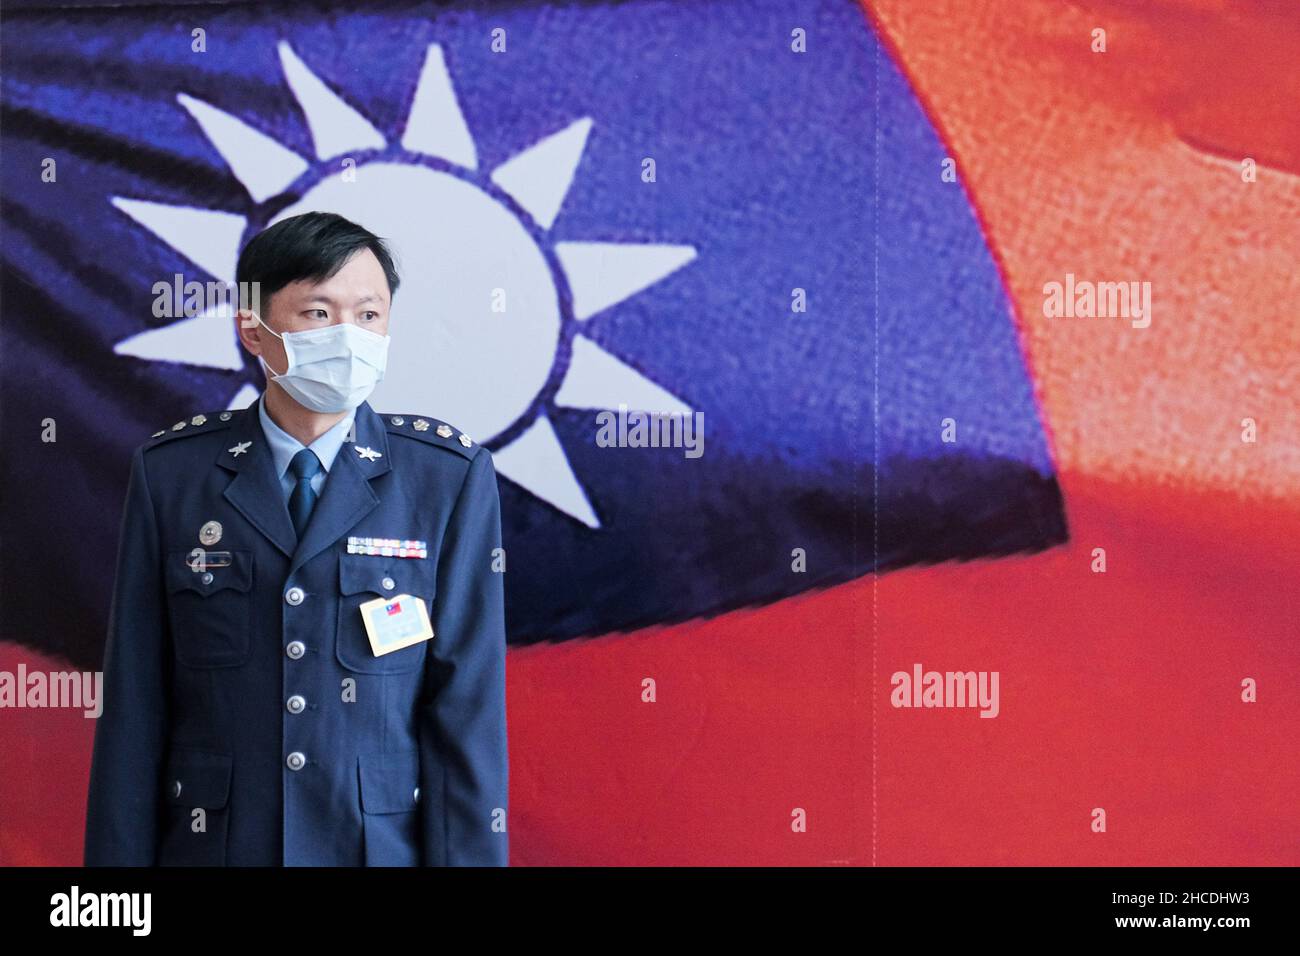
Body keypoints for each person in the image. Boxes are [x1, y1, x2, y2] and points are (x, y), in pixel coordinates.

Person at [83, 211, 508, 866]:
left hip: (373, 850)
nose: (348, 336)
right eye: (318, 313)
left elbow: (466, 717)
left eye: (369, 315)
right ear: (252, 327)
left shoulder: (444, 481)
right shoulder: (174, 475)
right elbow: (134, 711)